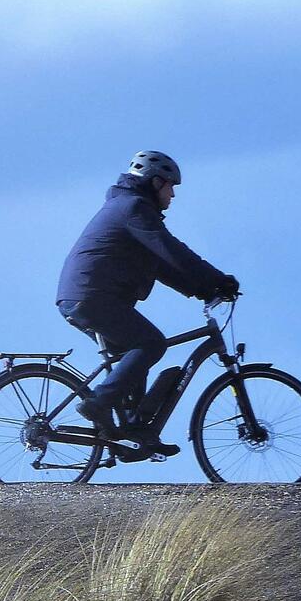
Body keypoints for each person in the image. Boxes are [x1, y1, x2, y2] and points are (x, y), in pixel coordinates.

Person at [55, 151, 239, 459]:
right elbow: (172, 251)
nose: (173, 194)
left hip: (87, 296)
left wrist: (206, 289)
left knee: (134, 355)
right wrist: (218, 278)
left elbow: (164, 267)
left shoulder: (130, 209)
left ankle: (133, 434)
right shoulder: (134, 208)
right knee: (151, 343)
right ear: (155, 183)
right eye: (170, 186)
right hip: (91, 296)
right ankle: (98, 402)